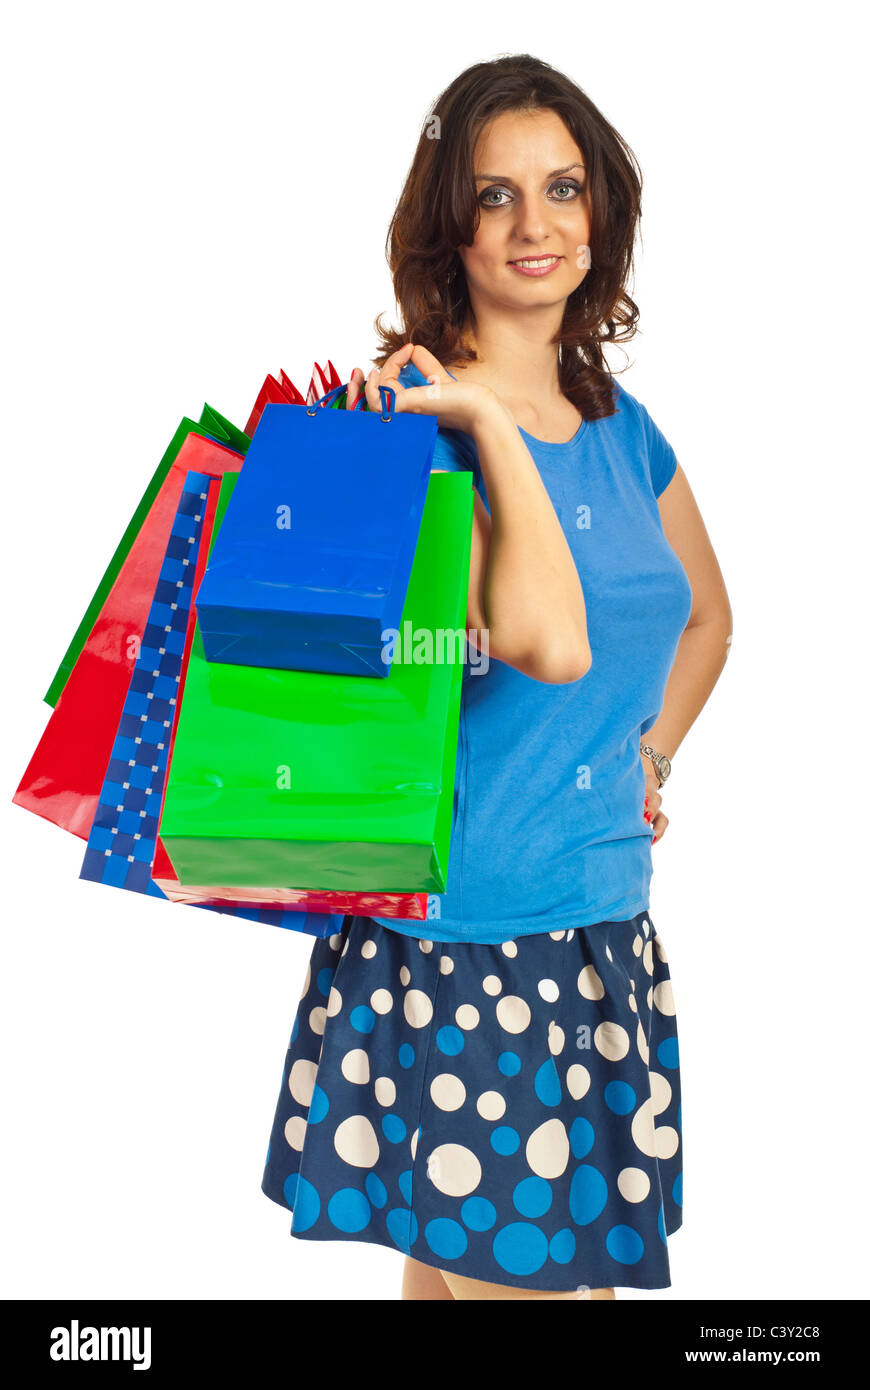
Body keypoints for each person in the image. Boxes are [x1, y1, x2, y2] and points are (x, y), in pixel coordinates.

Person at [260, 53, 733, 1301]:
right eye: (495, 196)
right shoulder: (406, 423)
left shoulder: (620, 424)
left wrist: (652, 755)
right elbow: (547, 641)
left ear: (601, 212)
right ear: (447, 227)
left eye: (564, 188)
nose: (537, 225)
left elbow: (704, 619)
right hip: (474, 940)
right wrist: (475, 417)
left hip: (597, 922)